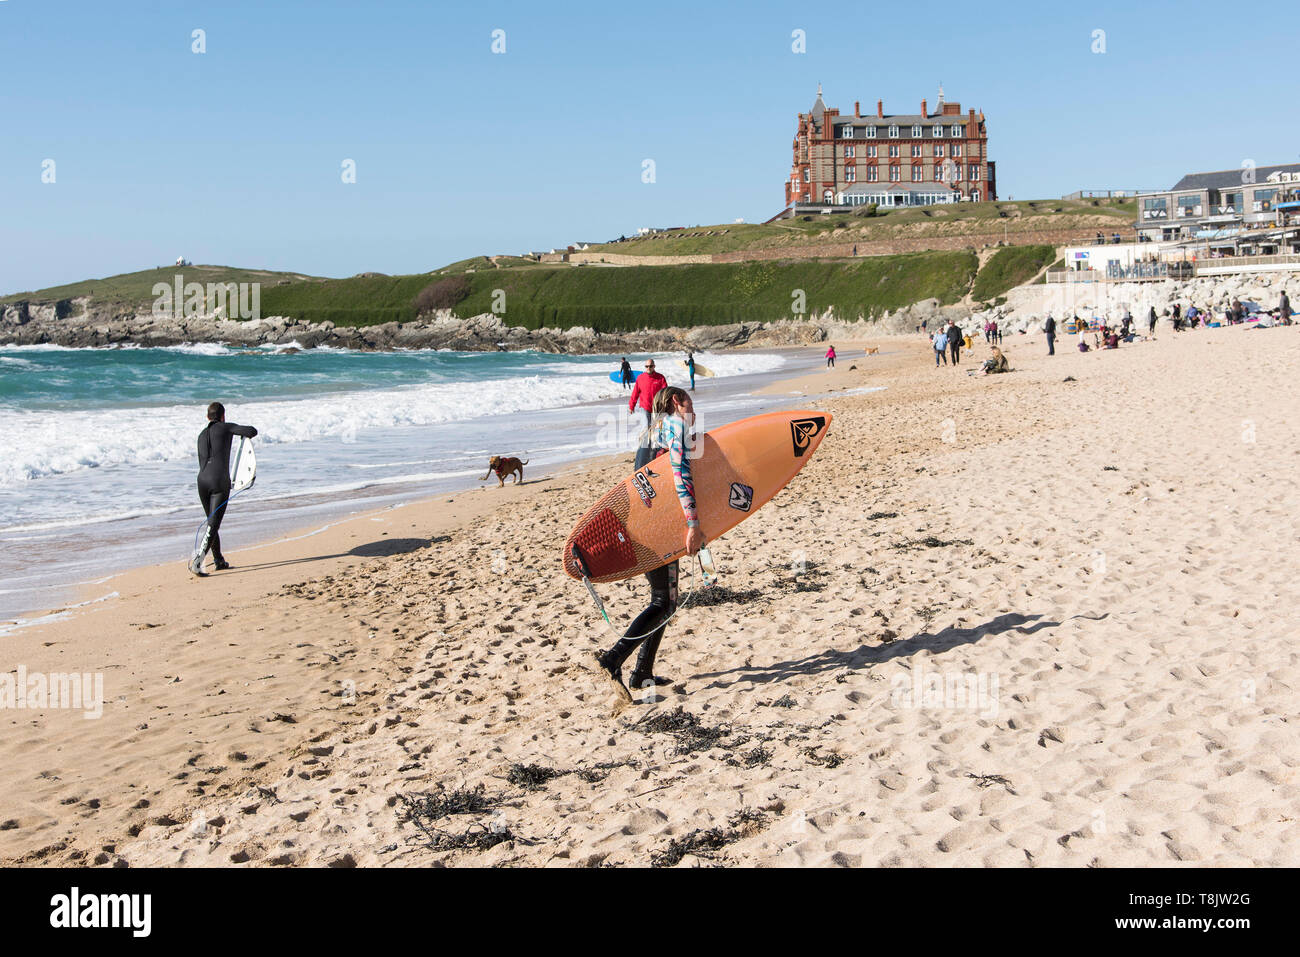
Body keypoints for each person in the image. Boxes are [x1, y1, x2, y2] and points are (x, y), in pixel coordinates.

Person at [594, 386, 701, 700]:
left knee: (663, 600)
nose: (693, 409)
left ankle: (643, 673)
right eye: (691, 402)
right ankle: (613, 660)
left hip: (640, 523)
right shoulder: (676, 428)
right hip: (659, 528)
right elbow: (682, 475)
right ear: (677, 402)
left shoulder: (650, 433)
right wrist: (692, 524)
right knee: (663, 602)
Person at [190, 402, 258, 576]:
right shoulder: (226, 427)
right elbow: (251, 431)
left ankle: (219, 560)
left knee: (212, 522)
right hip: (219, 482)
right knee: (213, 524)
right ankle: (198, 562)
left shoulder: (201, 435)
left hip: (202, 481)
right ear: (222, 416)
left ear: (207, 417)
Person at [628, 358, 667, 447]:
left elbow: (666, 392)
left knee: (659, 427)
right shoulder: (640, 378)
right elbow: (635, 393)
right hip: (644, 407)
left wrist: (667, 405)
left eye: (650, 366)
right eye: (646, 366)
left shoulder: (660, 378)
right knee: (646, 426)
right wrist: (631, 406)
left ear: (654, 366)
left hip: (658, 407)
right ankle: (643, 446)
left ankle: (659, 446)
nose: (648, 368)